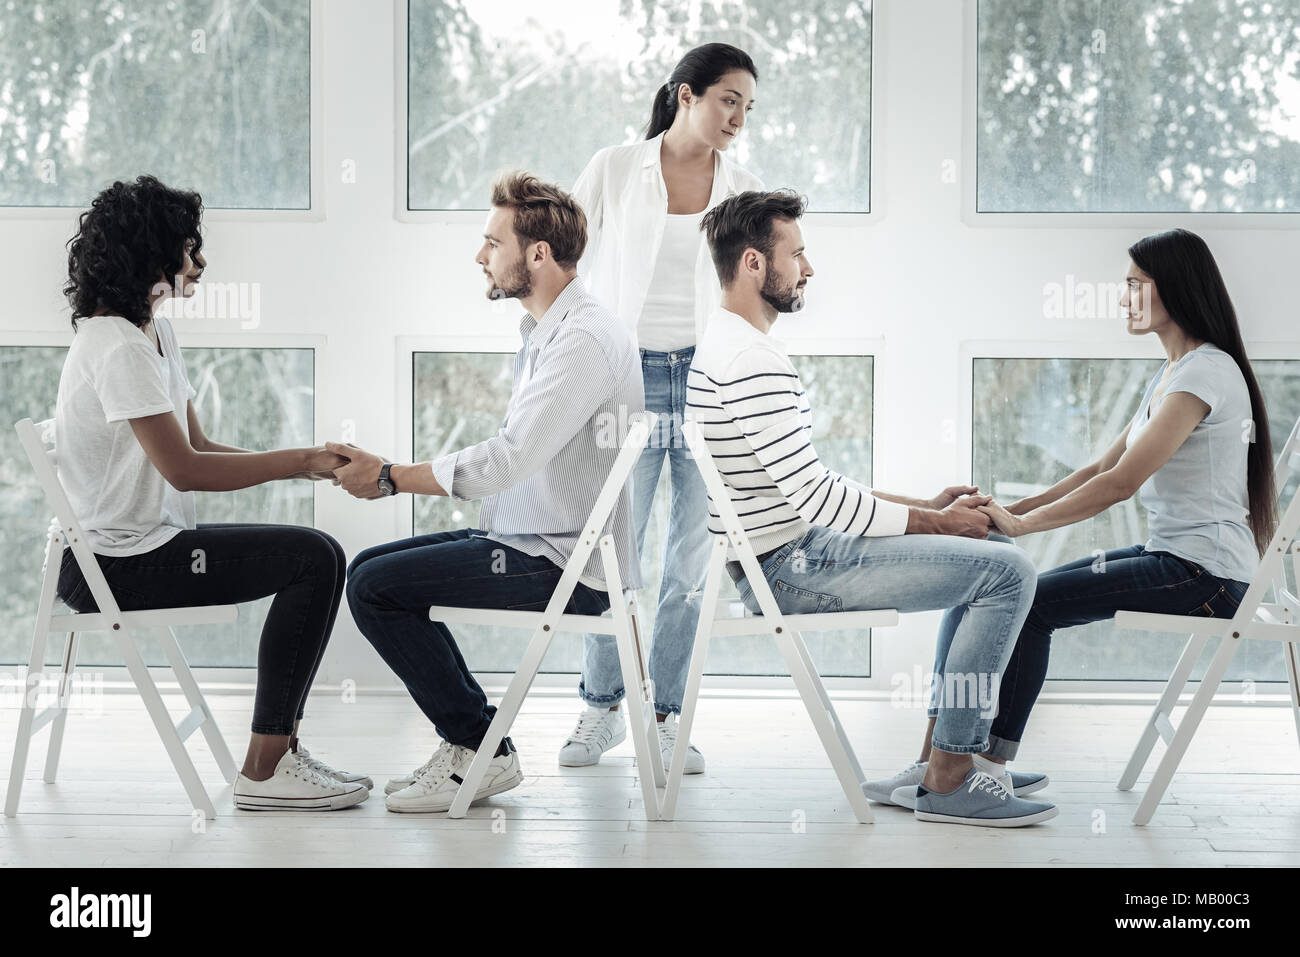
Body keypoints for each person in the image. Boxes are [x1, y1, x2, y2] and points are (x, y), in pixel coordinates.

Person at [688, 189, 1057, 827]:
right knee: (1010, 572)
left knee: (991, 556)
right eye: (796, 254)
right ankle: (950, 777)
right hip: (793, 567)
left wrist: (926, 506)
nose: (808, 268)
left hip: (789, 554)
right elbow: (816, 497)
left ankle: (939, 761)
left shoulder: (731, 345)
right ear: (753, 264)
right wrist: (940, 522)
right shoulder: (748, 358)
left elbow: (808, 484)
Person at [879, 228, 1276, 802]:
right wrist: (1009, 511)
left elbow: (1121, 484)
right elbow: (1098, 466)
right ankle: (934, 760)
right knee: (1012, 592)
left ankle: (983, 765)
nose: (1122, 299)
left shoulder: (1205, 373)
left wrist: (1022, 528)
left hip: (1206, 575)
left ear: (1178, 288)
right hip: (1176, 558)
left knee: (1030, 603)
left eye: (1135, 285)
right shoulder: (1172, 373)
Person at [54, 175, 368, 812]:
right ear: (155, 253)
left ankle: (273, 758)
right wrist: (297, 460)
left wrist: (304, 463)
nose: (201, 261)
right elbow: (185, 471)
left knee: (319, 554)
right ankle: (266, 766)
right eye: (190, 247)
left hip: (146, 547)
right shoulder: (115, 345)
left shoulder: (154, 335)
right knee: (317, 557)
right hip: (109, 567)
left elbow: (198, 445)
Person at [333, 171, 644, 813]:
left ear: (537, 253)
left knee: (372, 589)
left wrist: (391, 477)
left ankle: (479, 746)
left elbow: (507, 460)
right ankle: (474, 744)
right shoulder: (549, 334)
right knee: (368, 570)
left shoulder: (582, 340)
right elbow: (521, 463)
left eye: (491, 241)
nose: (481, 256)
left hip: (566, 566)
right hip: (530, 539)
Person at [564, 42, 764, 774]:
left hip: (709, 383)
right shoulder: (616, 167)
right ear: (686, 95)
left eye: (747, 106)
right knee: (610, 552)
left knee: (689, 565)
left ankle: (667, 715)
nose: (738, 116)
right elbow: (558, 252)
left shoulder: (744, 187)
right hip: (630, 379)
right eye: (728, 100)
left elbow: (759, 286)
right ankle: (600, 706)